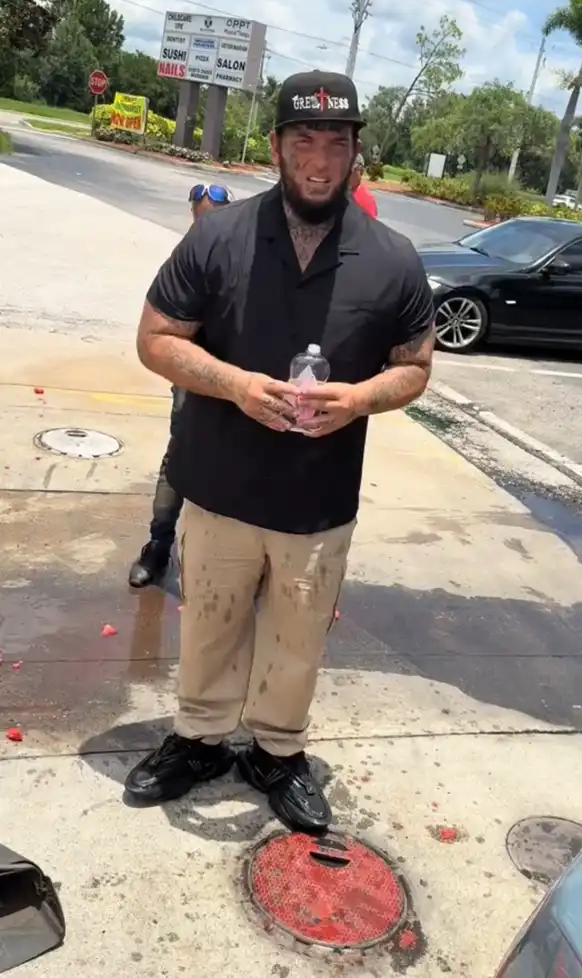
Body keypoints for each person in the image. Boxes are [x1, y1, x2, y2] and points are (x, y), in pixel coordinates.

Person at [125, 71, 434, 834]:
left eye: (336, 143)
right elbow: (155, 339)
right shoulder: (218, 237)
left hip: (317, 502)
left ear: (357, 152)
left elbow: (416, 366)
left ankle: (277, 752)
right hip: (220, 487)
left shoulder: (393, 259)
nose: (319, 161)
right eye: (304, 141)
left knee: (297, 640)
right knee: (210, 624)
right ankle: (198, 739)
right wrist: (234, 385)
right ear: (276, 146)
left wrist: (360, 399)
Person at [128, 182, 232, 588]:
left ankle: (225, 562)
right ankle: (158, 545)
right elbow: (160, 328)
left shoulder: (246, 254)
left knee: (235, 466)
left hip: (241, 379)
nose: (206, 220)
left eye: (214, 212)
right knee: (178, 459)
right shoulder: (186, 257)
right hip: (193, 379)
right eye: (200, 212)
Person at [350, 152, 378, 218]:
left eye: (352, 171)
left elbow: (369, 223)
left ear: (361, 171)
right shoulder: (335, 191)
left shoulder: (367, 199)